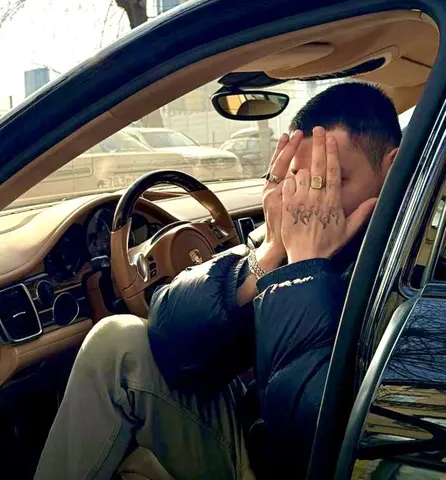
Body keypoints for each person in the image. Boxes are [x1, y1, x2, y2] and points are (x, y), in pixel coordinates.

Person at [34, 82, 402, 480]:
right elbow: (168, 340)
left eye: (330, 182)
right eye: (298, 181)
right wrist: (268, 255)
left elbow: (312, 438)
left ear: (393, 169)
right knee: (118, 343)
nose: (308, 204)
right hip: (256, 426)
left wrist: (305, 268)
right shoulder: (292, 231)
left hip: (291, 456)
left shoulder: (410, 267)